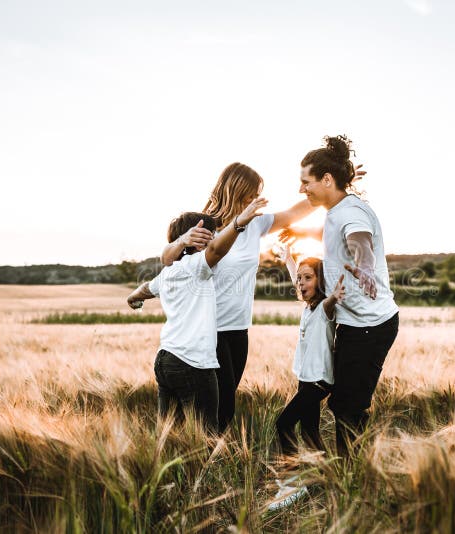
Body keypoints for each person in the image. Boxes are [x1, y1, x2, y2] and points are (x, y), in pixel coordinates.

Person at [159, 162, 364, 433]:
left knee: (222, 410)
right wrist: (182, 240)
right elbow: (167, 260)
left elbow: (295, 212)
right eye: (253, 193)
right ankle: (190, 463)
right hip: (208, 330)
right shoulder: (204, 225)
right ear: (237, 191)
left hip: (238, 331)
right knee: (218, 411)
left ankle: (194, 462)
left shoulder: (256, 224)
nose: (256, 199)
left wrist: (338, 182)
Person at [280, 135, 399, 457]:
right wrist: (302, 232)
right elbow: (333, 234)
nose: (301, 189)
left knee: (348, 407)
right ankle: (345, 469)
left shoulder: (351, 213)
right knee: (342, 403)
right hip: (353, 322)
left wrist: (366, 267)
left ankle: (349, 475)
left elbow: (359, 239)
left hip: (371, 326)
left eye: (306, 182)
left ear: (327, 179)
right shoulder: (336, 211)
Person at [126, 197, 267, 433]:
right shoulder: (196, 267)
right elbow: (216, 250)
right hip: (194, 364)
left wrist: (133, 298)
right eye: (211, 234)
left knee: (169, 434)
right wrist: (239, 222)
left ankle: (167, 470)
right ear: (198, 238)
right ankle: (201, 471)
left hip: (165, 360)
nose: (214, 238)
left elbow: (145, 289)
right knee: (205, 436)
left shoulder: (169, 271)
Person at [267, 244, 345, 511]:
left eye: (308, 277)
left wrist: (335, 294)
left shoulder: (324, 308)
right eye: (299, 278)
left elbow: (331, 301)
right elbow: (296, 279)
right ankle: (326, 478)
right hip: (306, 378)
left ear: (320, 281)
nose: (300, 283)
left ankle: (291, 481)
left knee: (283, 424)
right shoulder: (308, 306)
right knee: (309, 430)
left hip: (318, 381)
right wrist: (289, 259)